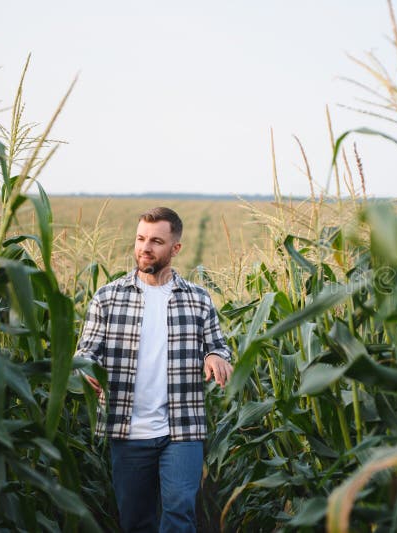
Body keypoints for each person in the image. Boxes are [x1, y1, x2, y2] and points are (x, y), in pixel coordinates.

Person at [74, 206, 233, 532]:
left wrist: (214, 357)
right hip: (127, 430)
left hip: (182, 429)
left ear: (175, 248)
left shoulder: (198, 300)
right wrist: (87, 370)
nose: (145, 247)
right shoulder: (107, 298)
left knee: (179, 514)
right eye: (140, 239)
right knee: (135, 520)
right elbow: (86, 353)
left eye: (156, 241)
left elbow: (218, 346)